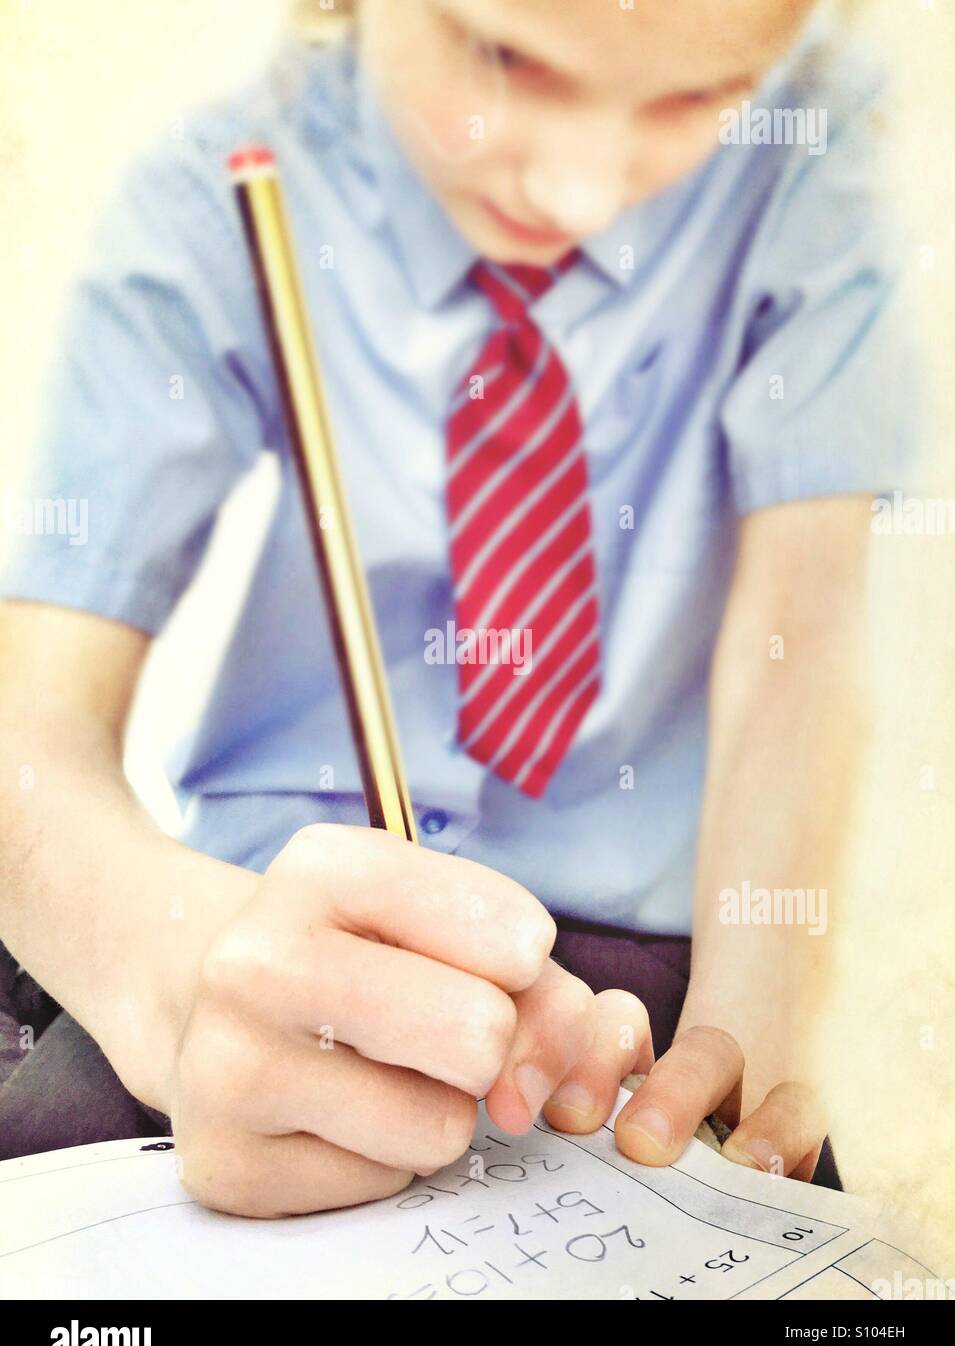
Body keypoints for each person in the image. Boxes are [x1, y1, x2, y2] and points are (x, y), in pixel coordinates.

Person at [0, 0, 915, 1214]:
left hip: (631, 964)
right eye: (508, 58)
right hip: (262, 907)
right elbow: (28, 717)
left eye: (696, 95)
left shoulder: (805, 168)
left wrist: (748, 1013)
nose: (581, 190)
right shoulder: (222, 191)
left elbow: (797, 638)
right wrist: (167, 973)